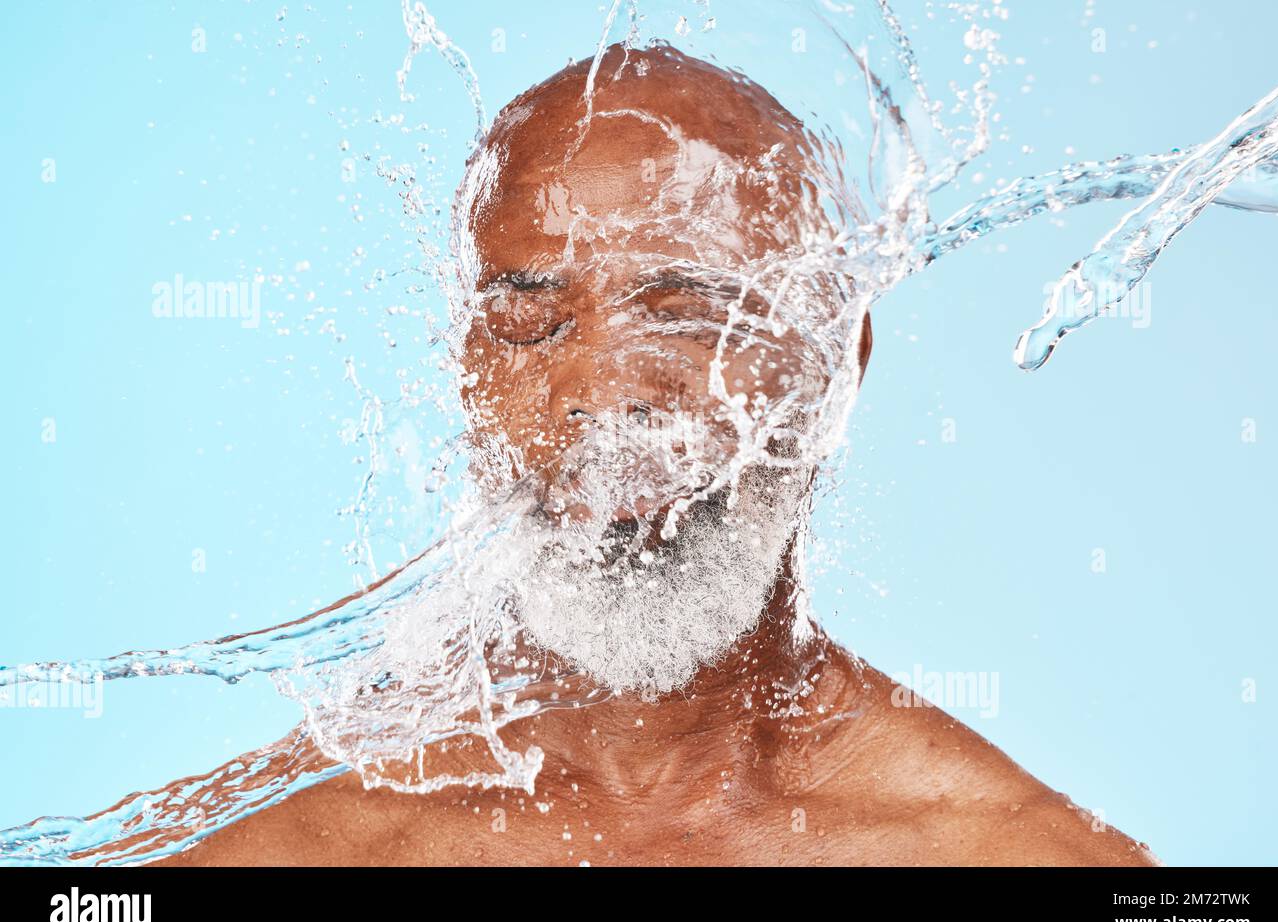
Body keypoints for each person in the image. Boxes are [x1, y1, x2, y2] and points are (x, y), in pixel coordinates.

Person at [160, 45, 1156, 866]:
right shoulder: (266, 854)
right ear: (464, 368)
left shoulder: (1020, 860)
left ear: (837, 358)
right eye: (527, 319)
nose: (604, 395)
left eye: (689, 315)